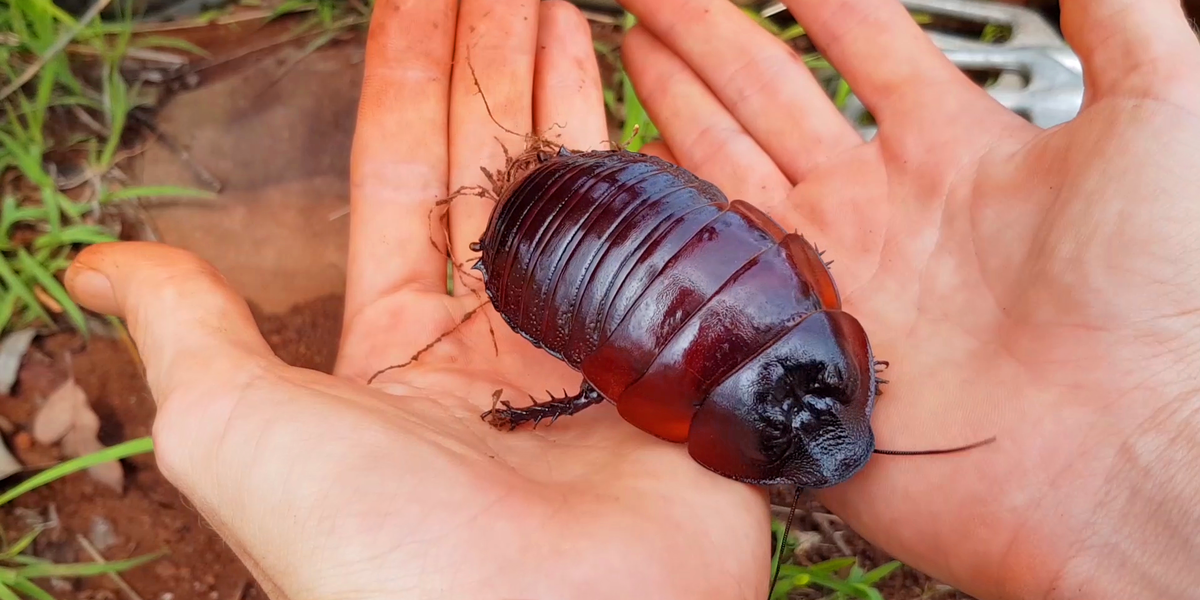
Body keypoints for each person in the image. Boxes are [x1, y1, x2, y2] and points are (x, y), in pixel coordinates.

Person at [63, 0, 1200, 598]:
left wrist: (1142, 474)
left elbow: (769, 263)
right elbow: (626, 386)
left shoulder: (806, 311)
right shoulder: (770, 349)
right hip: (573, 252)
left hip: (590, 237)